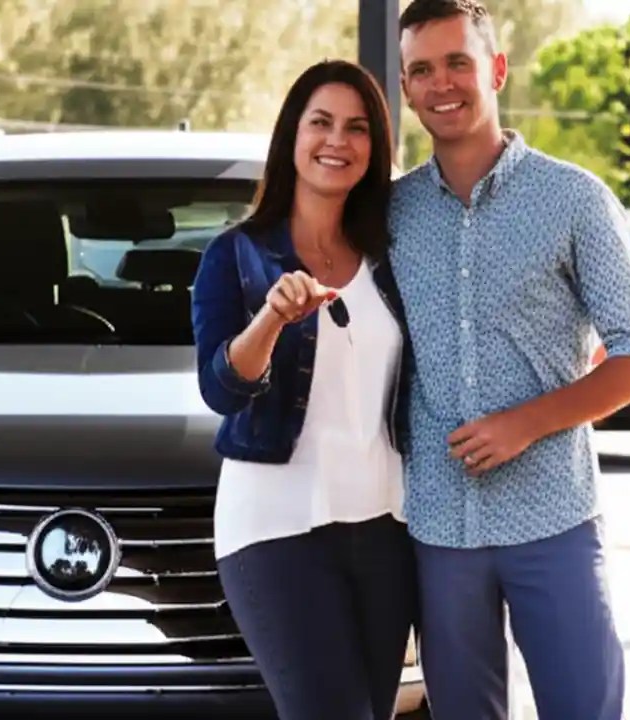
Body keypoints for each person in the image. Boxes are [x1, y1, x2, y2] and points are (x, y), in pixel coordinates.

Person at [388, 1, 630, 719]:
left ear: (497, 69)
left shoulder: (575, 199)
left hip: (555, 521)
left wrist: (525, 423)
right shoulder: (389, 215)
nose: (441, 82)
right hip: (439, 527)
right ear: (405, 86)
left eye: (458, 62)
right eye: (422, 69)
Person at [190, 59, 417, 720]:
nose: (336, 141)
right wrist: (271, 317)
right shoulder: (233, 257)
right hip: (274, 526)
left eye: (357, 128)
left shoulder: (390, 257)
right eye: (320, 122)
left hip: (384, 528)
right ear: (292, 135)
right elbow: (221, 389)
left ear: (375, 148)